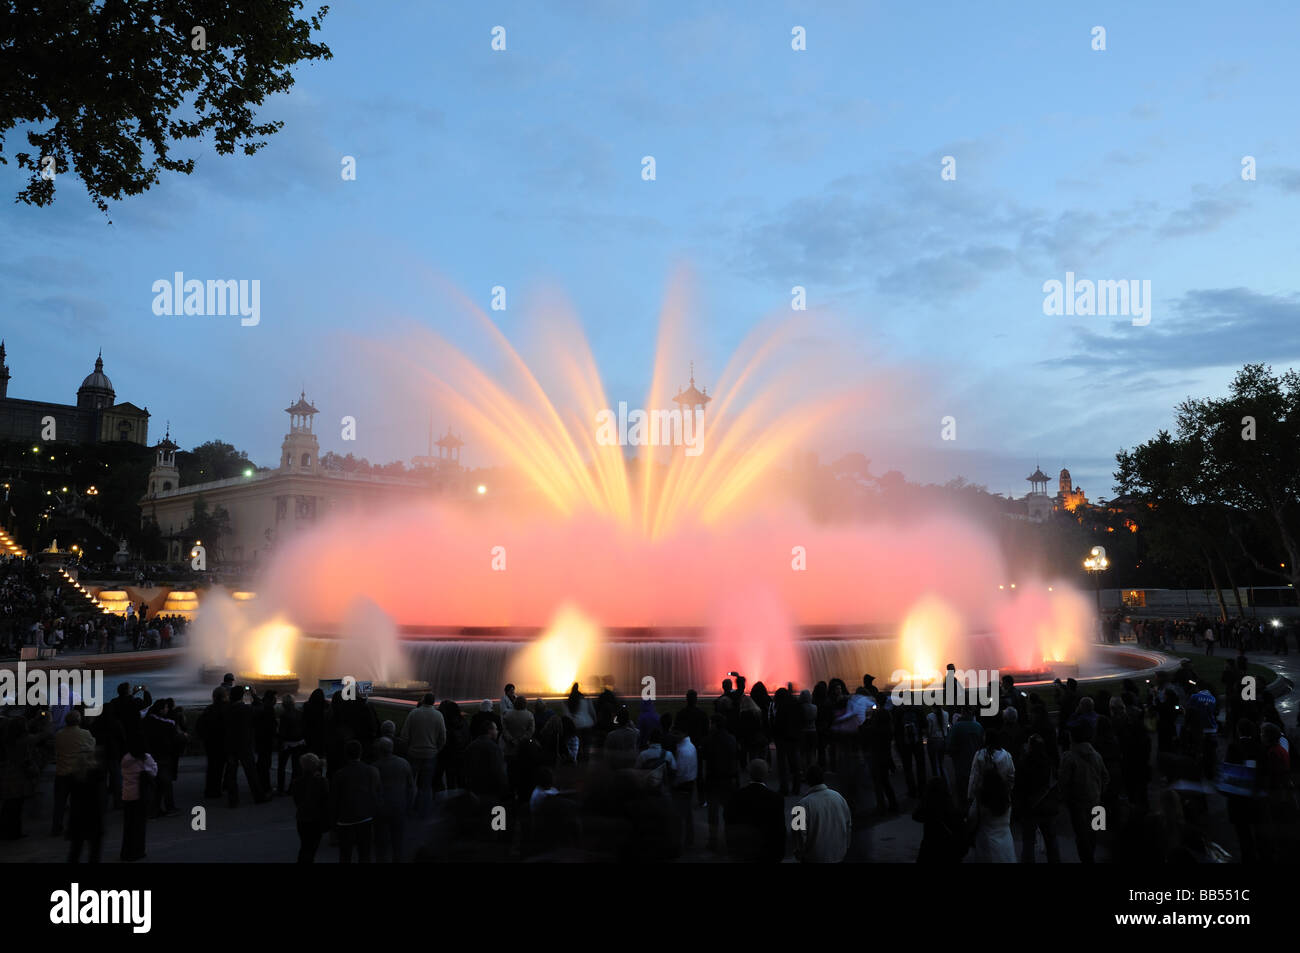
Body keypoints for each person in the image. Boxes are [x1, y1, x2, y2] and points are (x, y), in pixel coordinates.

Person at [1059, 723, 1109, 863]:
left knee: (1082, 837)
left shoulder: (1069, 757)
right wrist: (1099, 790)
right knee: (1094, 834)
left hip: (1078, 804)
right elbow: (1106, 776)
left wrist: (1065, 798)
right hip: (1096, 801)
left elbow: (1064, 782)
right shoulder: (1097, 755)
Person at [967, 730, 1015, 862]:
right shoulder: (1006, 756)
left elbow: (974, 776)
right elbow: (1012, 776)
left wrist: (970, 796)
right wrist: (1007, 790)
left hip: (984, 796)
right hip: (1002, 796)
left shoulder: (980, 755)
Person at [724, 759, 785, 862]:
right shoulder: (776, 798)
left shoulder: (736, 796)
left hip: (744, 852)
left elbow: (729, 821)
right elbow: (779, 830)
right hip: (767, 853)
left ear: (749, 774)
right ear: (766, 775)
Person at [330, 739, 381, 863]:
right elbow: (376, 793)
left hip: (345, 819)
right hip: (365, 816)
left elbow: (334, 800)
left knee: (345, 854)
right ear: (360, 753)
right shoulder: (371, 771)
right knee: (364, 853)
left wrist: (333, 822)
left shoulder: (339, 774)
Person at [1015, 733, 1060, 863]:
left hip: (1030, 807)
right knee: (1051, 840)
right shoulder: (1049, 762)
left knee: (1028, 842)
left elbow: (1019, 786)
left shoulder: (1024, 763)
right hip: (1047, 806)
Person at [793, 763, 852, 862]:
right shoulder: (839, 797)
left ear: (807, 781)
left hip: (814, 857)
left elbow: (799, 835)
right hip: (838, 854)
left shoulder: (802, 805)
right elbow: (848, 825)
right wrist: (845, 846)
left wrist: (800, 852)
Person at [52, 709, 96, 836]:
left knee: (59, 803)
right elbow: (91, 747)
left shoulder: (59, 734)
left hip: (62, 772)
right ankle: (77, 826)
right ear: (79, 720)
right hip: (78, 772)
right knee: (79, 803)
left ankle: (56, 826)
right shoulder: (85, 733)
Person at [401, 693, 446, 816]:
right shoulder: (438, 715)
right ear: (433, 702)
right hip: (430, 755)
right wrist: (436, 750)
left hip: (413, 754)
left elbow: (404, 735)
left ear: (424, 700)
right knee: (425, 786)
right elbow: (443, 738)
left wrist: (408, 748)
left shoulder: (413, 713)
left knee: (409, 784)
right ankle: (423, 811)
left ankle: (407, 809)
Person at [223, 685, 268, 805]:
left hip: (230, 745)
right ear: (242, 695)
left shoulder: (226, 709)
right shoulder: (246, 709)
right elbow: (261, 708)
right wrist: (254, 694)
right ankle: (259, 797)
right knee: (251, 772)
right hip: (245, 745)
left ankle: (233, 800)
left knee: (231, 774)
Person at [373, 736, 415, 863]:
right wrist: (409, 805)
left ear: (379, 750)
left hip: (381, 810)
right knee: (398, 842)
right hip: (399, 807)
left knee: (381, 844)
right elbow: (411, 787)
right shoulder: (403, 763)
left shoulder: (375, 767)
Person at [912, 775, 967, 863]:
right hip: (949, 852)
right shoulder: (951, 810)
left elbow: (916, 815)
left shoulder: (928, 810)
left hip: (930, 850)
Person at [704, 713, 738, 851]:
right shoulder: (731, 739)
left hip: (713, 780)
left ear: (715, 724)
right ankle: (730, 840)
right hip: (728, 779)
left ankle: (713, 840)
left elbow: (705, 761)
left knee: (713, 813)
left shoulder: (708, 740)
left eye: (711, 723)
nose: (709, 725)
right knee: (728, 812)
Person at [0, 716, 38, 839]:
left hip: (9, 774)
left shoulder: (8, 740)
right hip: (19, 776)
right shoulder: (23, 742)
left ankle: (8, 830)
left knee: (10, 805)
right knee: (16, 807)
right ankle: (14, 831)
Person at [119, 740, 157, 861]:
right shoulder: (145, 758)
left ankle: (126, 851)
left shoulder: (126, 759)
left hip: (127, 794)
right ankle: (138, 850)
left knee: (128, 825)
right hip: (141, 795)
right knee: (139, 825)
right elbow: (153, 772)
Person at [292, 752, 330, 863]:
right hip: (316, 819)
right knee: (311, 848)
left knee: (305, 846)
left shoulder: (296, 783)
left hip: (302, 818)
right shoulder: (322, 781)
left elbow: (297, 802)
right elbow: (326, 801)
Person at [671, 728, 699, 847]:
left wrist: (674, 783)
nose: (674, 736)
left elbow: (680, 771)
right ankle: (689, 840)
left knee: (679, 816)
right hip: (690, 782)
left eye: (677, 732)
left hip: (682, 784)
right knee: (687, 814)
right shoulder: (690, 746)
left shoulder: (682, 750)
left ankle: (679, 842)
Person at [277, 694, 305, 795]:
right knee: (296, 767)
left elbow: (282, 731)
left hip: (287, 744)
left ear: (284, 704)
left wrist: (280, 742)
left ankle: (280, 788)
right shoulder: (300, 713)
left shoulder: (284, 715)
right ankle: (292, 788)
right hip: (298, 742)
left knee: (282, 767)